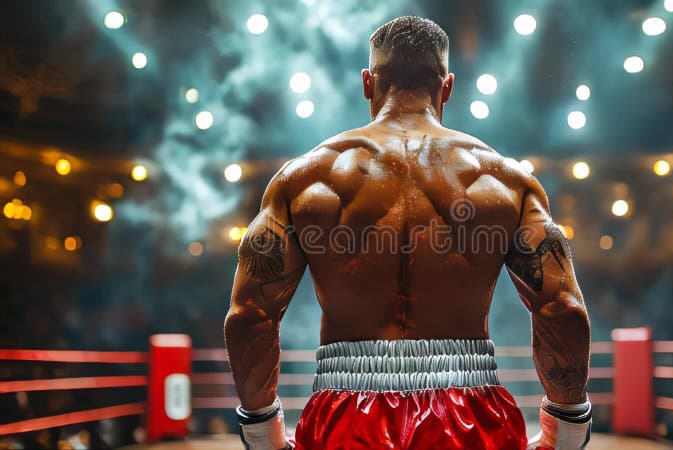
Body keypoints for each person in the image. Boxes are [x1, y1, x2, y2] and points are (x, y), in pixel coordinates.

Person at [225, 16, 591, 450]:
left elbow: (250, 315)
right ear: (447, 87)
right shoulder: (505, 181)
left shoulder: (304, 180)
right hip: (470, 413)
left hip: (344, 415)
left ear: (368, 82)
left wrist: (262, 433)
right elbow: (562, 309)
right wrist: (566, 430)